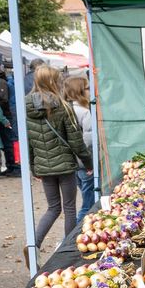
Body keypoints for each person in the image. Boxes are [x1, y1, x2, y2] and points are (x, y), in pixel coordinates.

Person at [26, 65, 91, 252]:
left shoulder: (26, 105)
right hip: (65, 166)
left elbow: (28, 140)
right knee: (69, 207)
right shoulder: (62, 106)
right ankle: (68, 247)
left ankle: (35, 244)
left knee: (53, 208)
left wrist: (34, 167)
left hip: (43, 166)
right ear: (54, 82)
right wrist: (87, 163)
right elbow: (75, 139)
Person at [62, 75, 97, 225]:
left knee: (84, 197)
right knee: (88, 204)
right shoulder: (84, 112)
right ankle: (69, 238)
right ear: (80, 91)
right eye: (87, 88)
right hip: (85, 163)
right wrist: (88, 162)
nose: (90, 91)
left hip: (70, 163)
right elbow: (88, 140)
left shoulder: (64, 110)